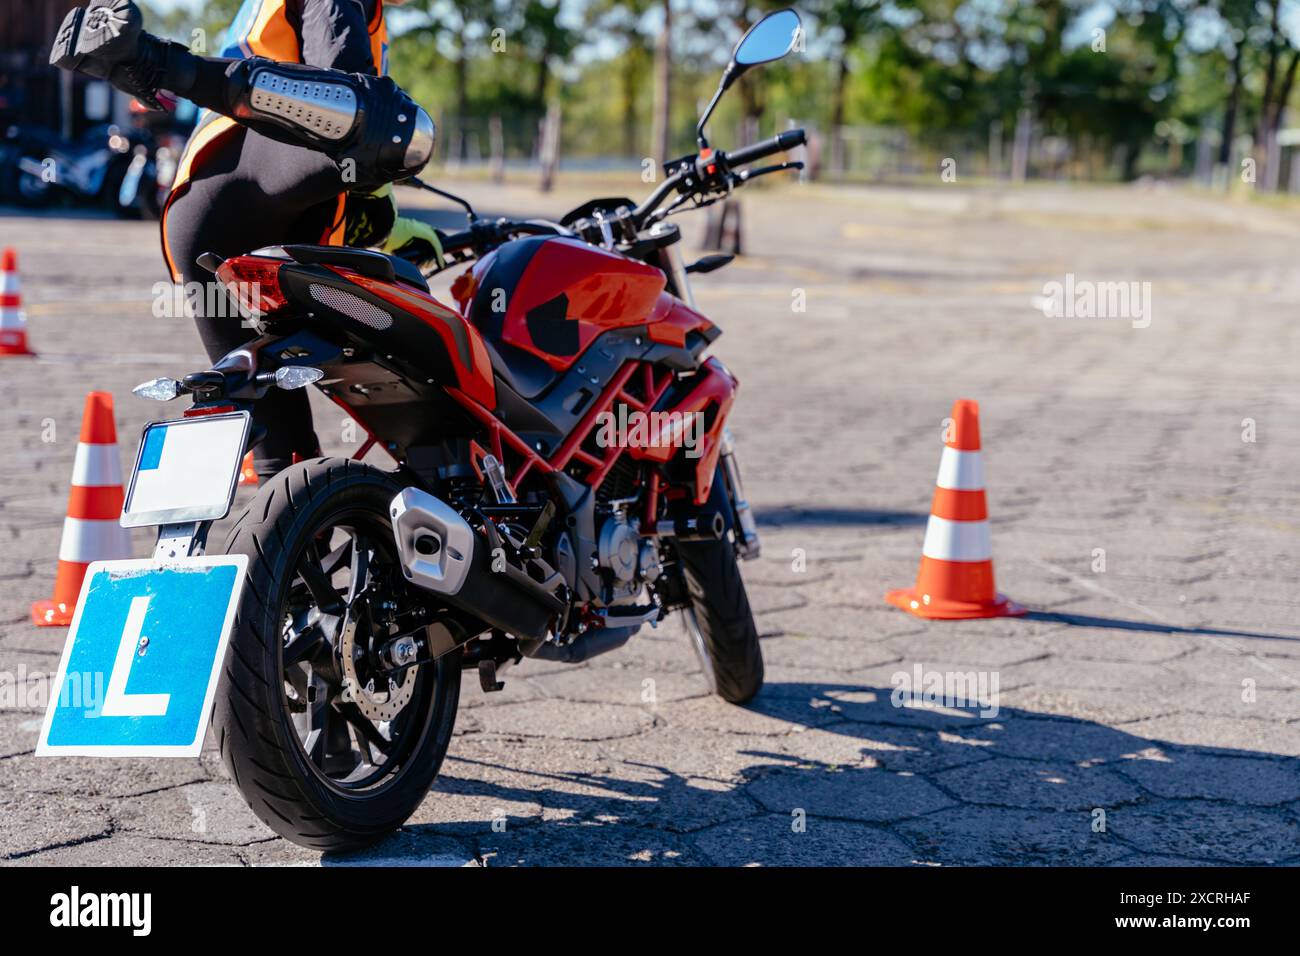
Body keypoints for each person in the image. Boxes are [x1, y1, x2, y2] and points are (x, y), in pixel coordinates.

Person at [51, 0, 442, 480]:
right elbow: (353, 110)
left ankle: (296, 545)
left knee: (288, 460)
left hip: (209, 222)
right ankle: (153, 58)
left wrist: (386, 220)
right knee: (395, 126)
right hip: (246, 187)